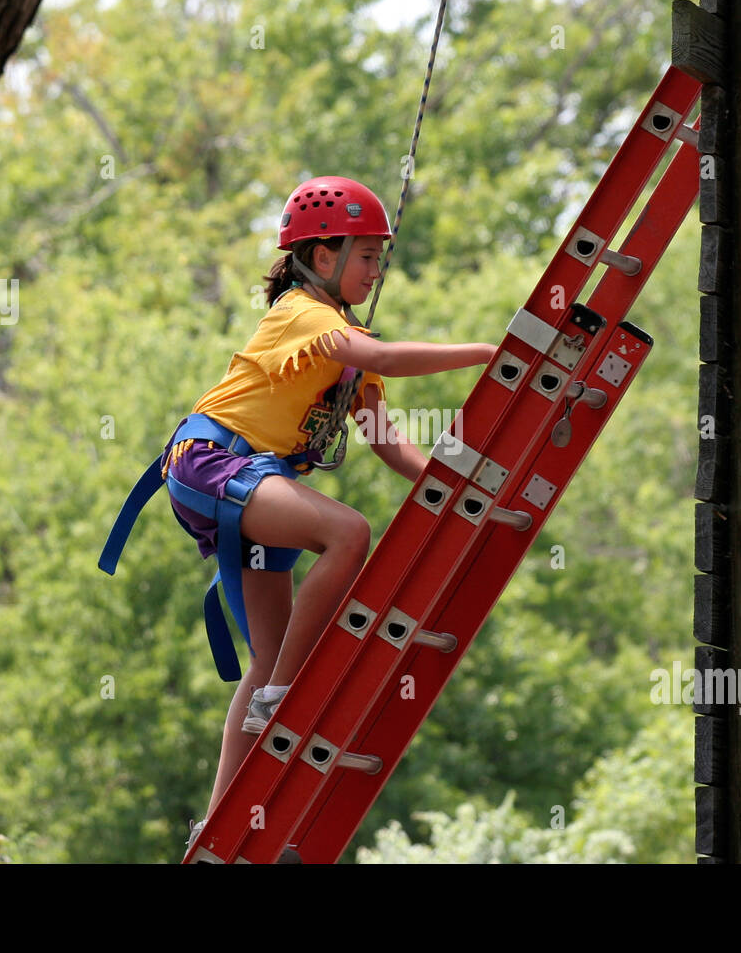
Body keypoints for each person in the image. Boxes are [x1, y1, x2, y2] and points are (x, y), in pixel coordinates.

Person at [149, 176, 495, 844]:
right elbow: (386, 354)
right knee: (348, 532)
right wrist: (487, 354)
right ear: (323, 255)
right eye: (365, 255)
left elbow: (388, 444)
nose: (375, 269)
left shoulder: (345, 340)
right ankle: (282, 694)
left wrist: (454, 489)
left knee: (271, 657)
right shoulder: (306, 313)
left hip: (253, 483)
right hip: (213, 461)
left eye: (379, 258)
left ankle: (216, 822)